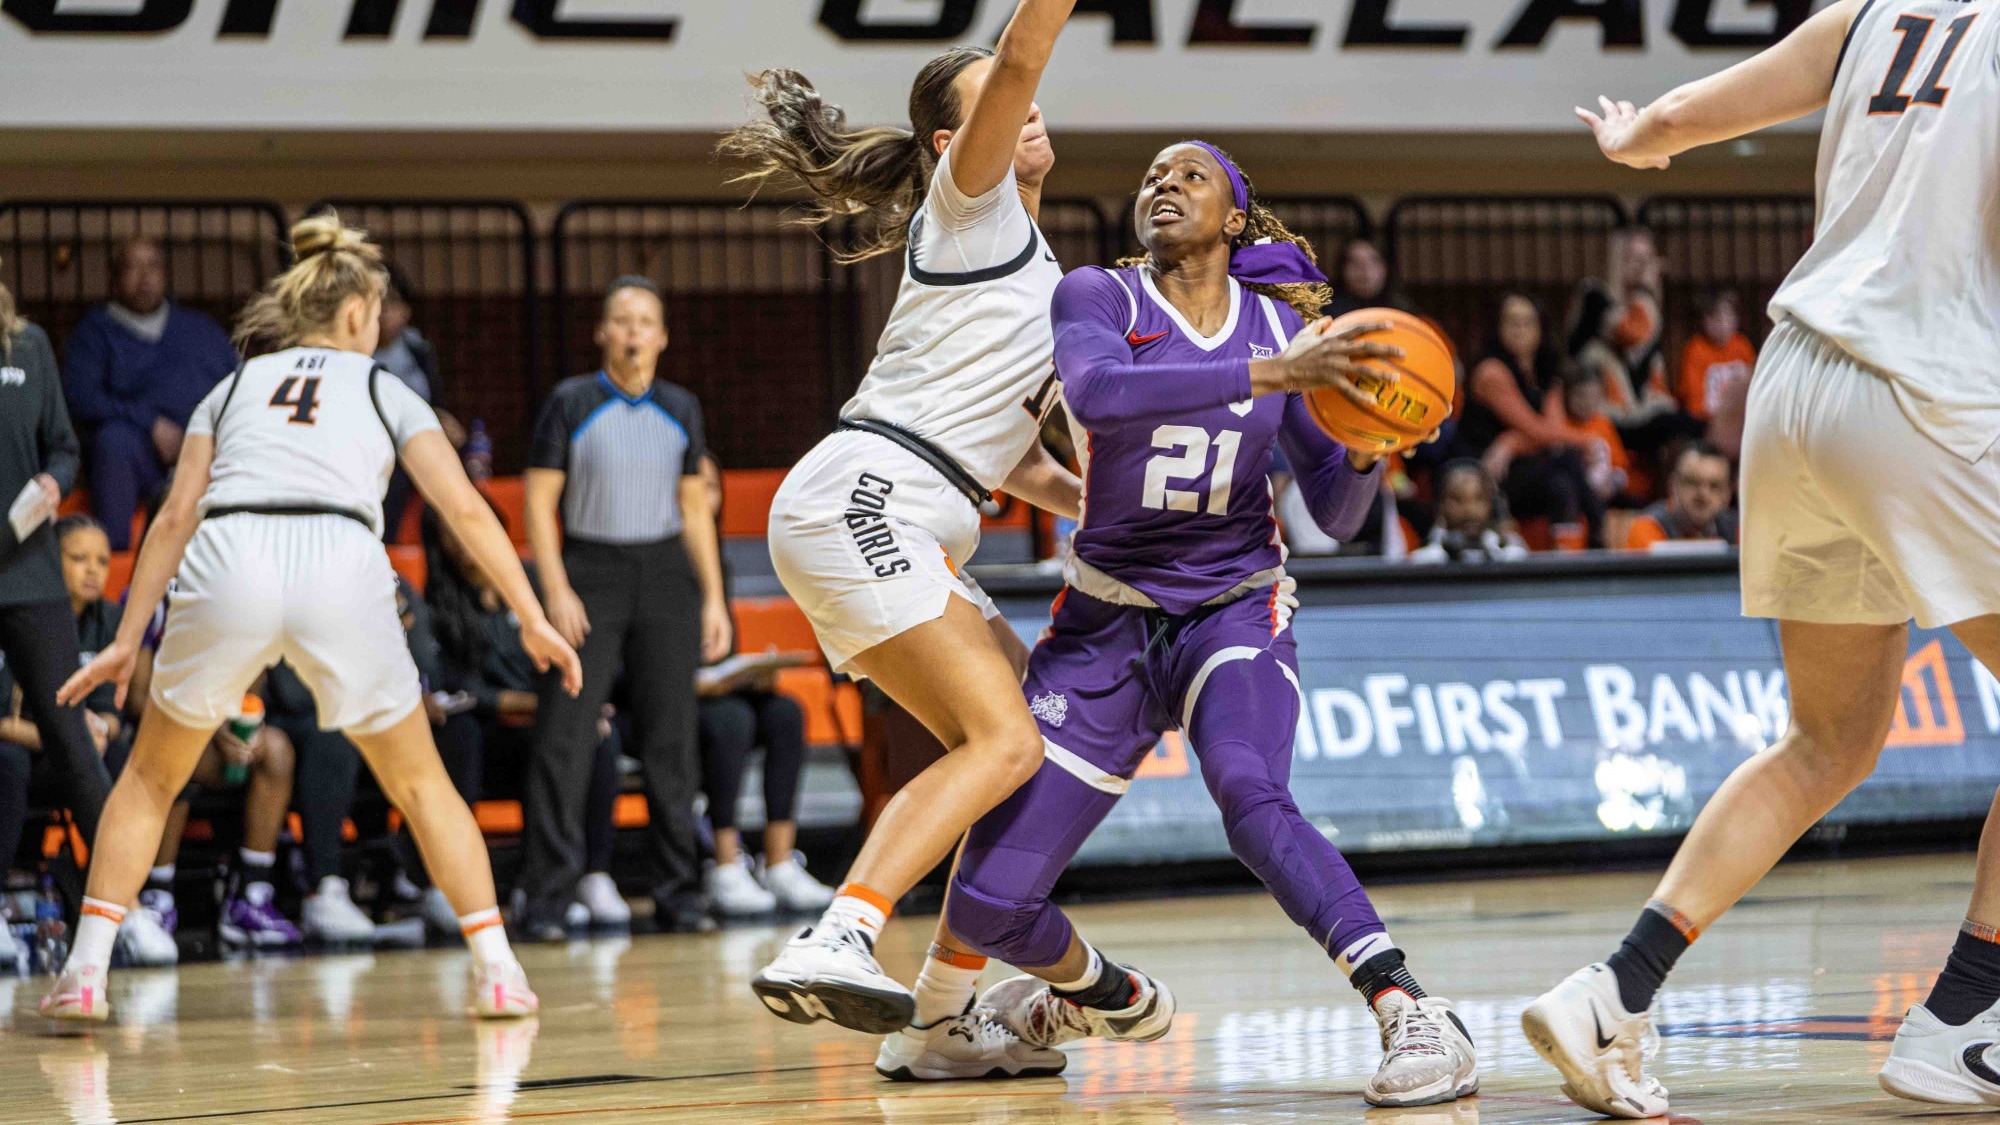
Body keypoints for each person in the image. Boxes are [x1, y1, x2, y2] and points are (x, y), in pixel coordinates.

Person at [879, 142, 1478, 1107]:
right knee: (990, 902)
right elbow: (1097, 395)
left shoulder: (1280, 330)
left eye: (1190, 175)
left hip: (1230, 605)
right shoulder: (1098, 297)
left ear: (1234, 217)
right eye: (1153, 174)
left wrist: (1376, 446)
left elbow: (1334, 511)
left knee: (1250, 795)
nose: (1163, 183)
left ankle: (1409, 1005)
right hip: (1104, 626)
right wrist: (1274, 371)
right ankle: (1100, 997)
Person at [1528, 4, 2000, 1114]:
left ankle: (1611, 992)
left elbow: (1670, 125)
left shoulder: (1866, 15)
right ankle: (1966, 1015)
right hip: (1919, 383)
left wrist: (1627, 135)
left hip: (1789, 391)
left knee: (1826, 741)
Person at [41, 212, 581, 1024]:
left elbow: (175, 514)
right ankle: (499, 970)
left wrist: (126, 637)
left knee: (151, 777)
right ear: (360, 313)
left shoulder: (227, 388)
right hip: (338, 555)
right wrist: (532, 613)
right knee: (422, 781)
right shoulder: (382, 384)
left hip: (232, 553)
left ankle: (85, 974)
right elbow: (466, 510)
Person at [719, 0, 1094, 1034]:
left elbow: (1006, 452)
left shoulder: (1034, 269)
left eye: (1023, 103)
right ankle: (839, 930)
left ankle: (943, 1014)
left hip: (902, 500)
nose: (1025, 111)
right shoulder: (971, 204)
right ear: (951, 144)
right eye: (998, 106)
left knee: (1033, 744)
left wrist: (1089, 501)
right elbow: (1023, 45)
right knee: (1005, 742)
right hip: (870, 495)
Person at [517, 276, 729, 939]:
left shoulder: (682, 406)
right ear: (602, 333)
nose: (633, 330)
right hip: (589, 571)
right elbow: (537, 503)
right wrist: (554, 588)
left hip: (667, 573)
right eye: (621, 319)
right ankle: (547, 898)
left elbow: (695, 508)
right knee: (565, 738)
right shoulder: (570, 401)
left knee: (672, 742)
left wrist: (714, 596)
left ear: (662, 336)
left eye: (645, 320)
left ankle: (679, 893)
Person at [421, 502, 631, 931]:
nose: (465, 542)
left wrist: (571, 708)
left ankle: (592, 874)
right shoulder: (440, 603)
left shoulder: (538, 589)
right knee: (461, 737)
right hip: (487, 734)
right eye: (451, 532)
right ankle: (454, 883)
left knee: (595, 735)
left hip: (543, 727)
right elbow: (464, 691)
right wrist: (543, 708)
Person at [0, 263, 112, 968]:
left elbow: (65, 447)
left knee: (73, 741)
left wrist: (52, 481)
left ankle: (113, 914)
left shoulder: (29, 346)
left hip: (30, 573)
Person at [691, 458, 837, 918]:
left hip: (711, 690)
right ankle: (726, 862)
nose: (705, 495)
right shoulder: (652, 561)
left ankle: (779, 861)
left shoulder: (718, 559)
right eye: (696, 485)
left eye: (714, 485)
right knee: (729, 721)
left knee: (784, 712)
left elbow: (720, 650)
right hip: (661, 699)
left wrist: (748, 674)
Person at [61, 237, 238, 550]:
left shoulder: (201, 330)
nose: (144, 277)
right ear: (114, 278)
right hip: (135, 459)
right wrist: (150, 422)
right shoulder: (94, 332)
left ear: (165, 274)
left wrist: (199, 436)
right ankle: (111, 567)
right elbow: (79, 396)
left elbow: (239, 386)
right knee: (113, 439)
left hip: (203, 453)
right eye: (132, 267)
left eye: (153, 265)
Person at [1455, 294, 1603, 548]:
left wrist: (1510, 443)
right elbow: (1535, 430)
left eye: (1527, 323)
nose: (1519, 330)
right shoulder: (1491, 371)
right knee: (1563, 471)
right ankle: (1594, 539)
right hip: (1488, 471)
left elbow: (1551, 432)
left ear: (1540, 329)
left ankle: (1580, 552)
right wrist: (1587, 439)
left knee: (1563, 475)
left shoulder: (1547, 371)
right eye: (1512, 322)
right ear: (1499, 328)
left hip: (1528, 465)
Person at [1677, 288, 1757, 457]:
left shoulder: (1742, 346)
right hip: (1707, 423)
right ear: (1704, 321)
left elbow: (1755, 384)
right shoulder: (1696, 349)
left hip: (1743, 422)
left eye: (1728, 316)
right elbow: (1694, 401)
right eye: (1715, 317)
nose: (1722, 324)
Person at [1409, 461, 1529, 564]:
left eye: (1478, 499)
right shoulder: (1424, 560)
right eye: (1457, 499)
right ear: (1441, 505)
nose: (1469, 509)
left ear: (1490, 503)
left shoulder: (1513, 554)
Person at [1623, 441, 1737, 550]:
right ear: (1673, 486)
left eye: (1714, 486)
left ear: (1727, 494)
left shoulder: (1739, 529)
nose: (1703, 494)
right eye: (1692, 482)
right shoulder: (1648, 527)